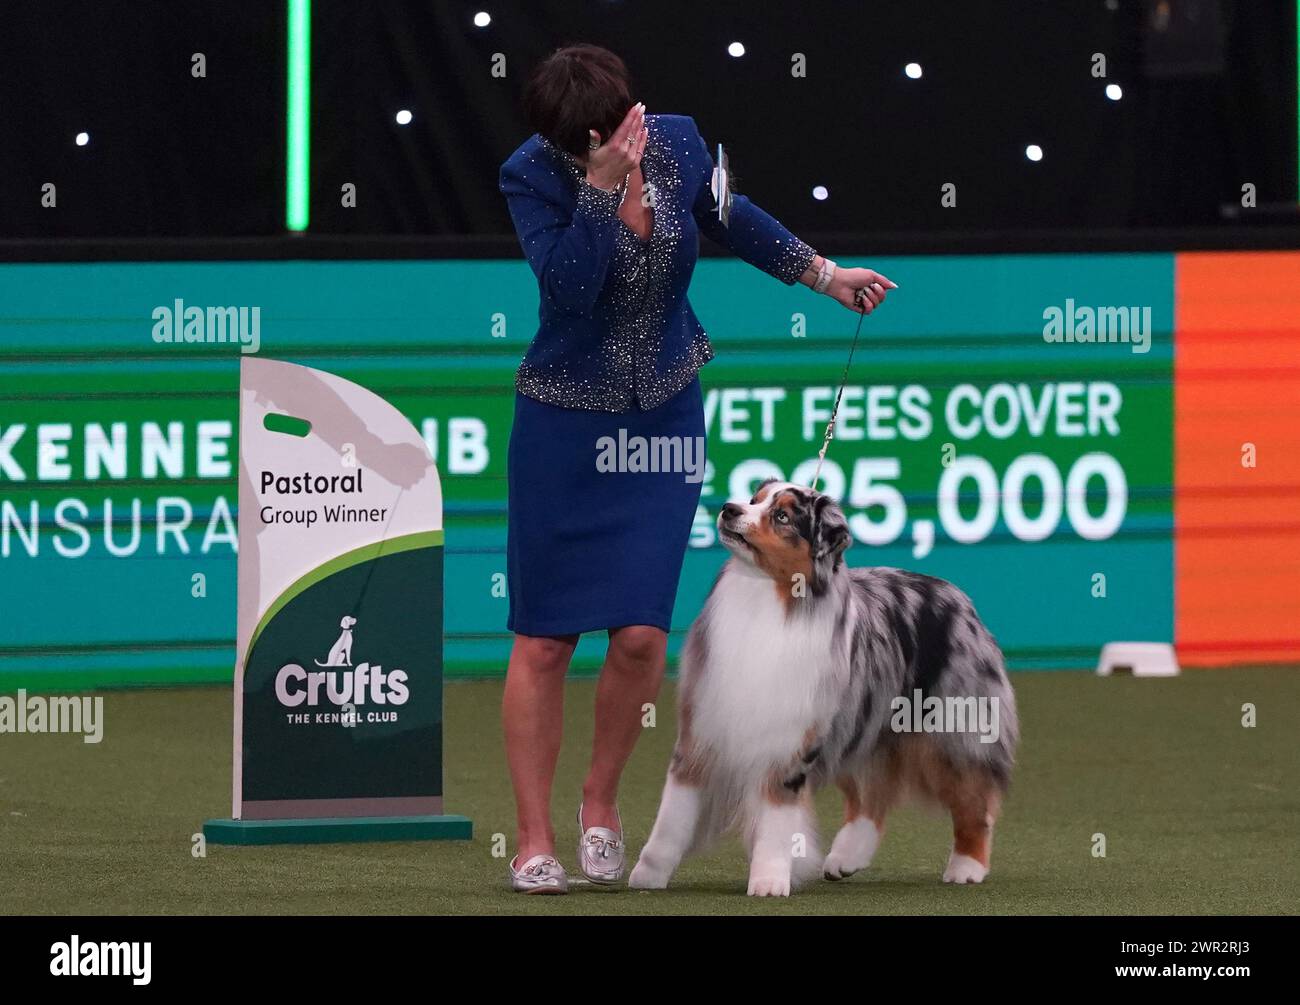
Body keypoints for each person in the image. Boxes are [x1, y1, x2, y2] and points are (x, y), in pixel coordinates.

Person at [498, 43, 896, 893]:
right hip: (564, 426)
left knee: (640, 636)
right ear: (571, 143)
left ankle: (599, 806)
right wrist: (601, 190)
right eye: (590, 145)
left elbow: (734, 218)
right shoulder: (531, 176)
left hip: (664, 419)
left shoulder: (677, 140)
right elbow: (569, 289)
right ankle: (533, 838)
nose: (621, 141)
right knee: (544, 639)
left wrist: (825, 277)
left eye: (621, 126)